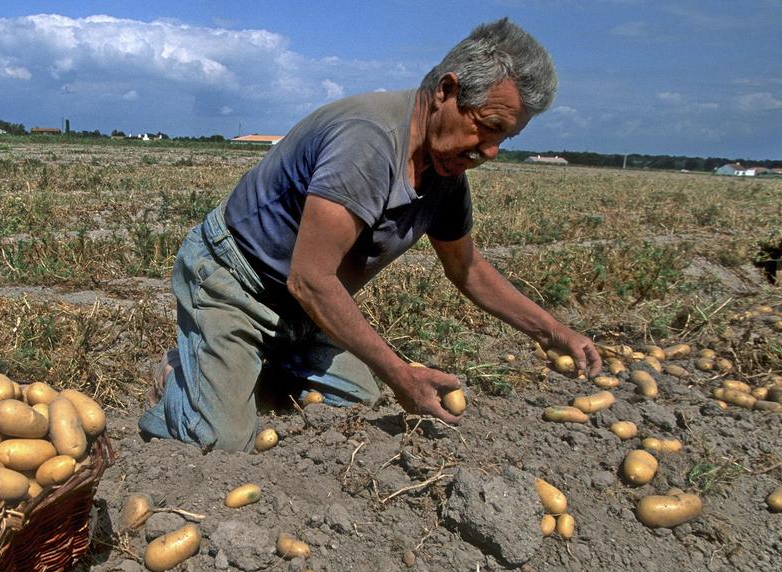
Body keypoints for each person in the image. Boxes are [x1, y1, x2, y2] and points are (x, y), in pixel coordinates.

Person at [139, 18, 601, 452]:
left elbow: (469, 269)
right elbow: (312, 279)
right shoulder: (369, 142)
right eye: (489, 127)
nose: (493, 151)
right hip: (237, 283)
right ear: (447, 90)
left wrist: (554, 331)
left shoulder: (445, 176)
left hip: (304, 311)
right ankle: (181, 376)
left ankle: (249, 368)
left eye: (507, 139)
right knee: (220, 441)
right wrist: (401, 374)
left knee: (361, 409)